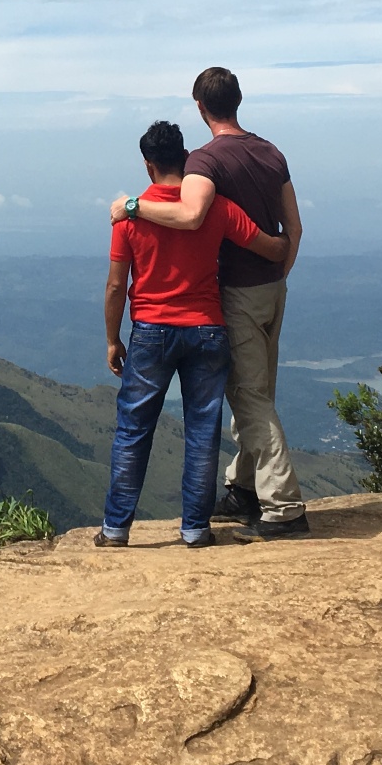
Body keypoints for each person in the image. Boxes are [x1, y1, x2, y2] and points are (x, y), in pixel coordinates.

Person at [108, 67, 308, 537]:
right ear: (238, 100)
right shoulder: (271, 152)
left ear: (200, 107)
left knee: (248, 399)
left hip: (222, 300)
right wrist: (281, 270)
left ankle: (283, 508)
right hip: (268, 290)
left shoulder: (206, 162)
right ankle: (234, 496)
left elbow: (191, 214)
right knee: (247, 397)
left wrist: (131, 207)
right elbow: (290, 231)